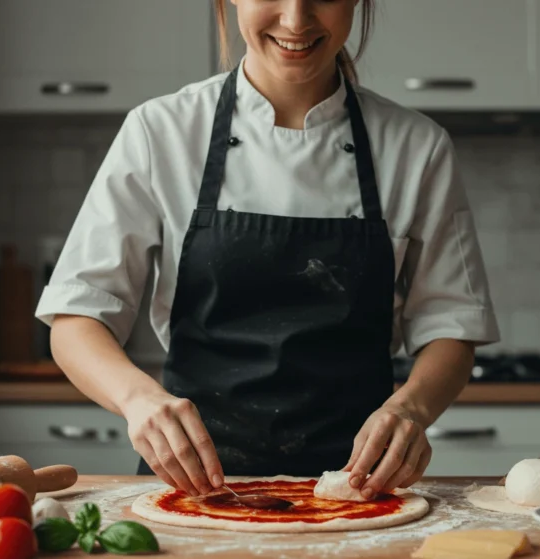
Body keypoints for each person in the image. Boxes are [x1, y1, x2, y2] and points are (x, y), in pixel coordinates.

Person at [35, 0, 499, 501]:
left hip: (357, 488)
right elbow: (77, 318)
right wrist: (139, 399)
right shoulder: (160, 132)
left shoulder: (416, 147)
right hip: (195, 487)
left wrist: (410, 410)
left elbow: (453, 326)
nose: (296, 20)